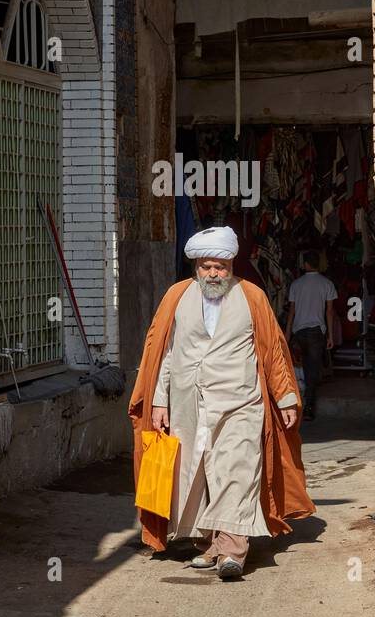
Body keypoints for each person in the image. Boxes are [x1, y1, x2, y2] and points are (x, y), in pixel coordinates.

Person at [128, 226, 315, 580]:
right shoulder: (176, 297)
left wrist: (286, 397)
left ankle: (232, 551)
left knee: (237, 470)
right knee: (197, 475)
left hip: (241, 402)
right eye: (206, 267)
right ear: (196, 267)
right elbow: (163, 353)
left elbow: (273, 349)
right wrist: (158, 400)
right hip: (188, 403)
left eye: (221, 267)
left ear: (231, 267)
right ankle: (210, 542)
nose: (213, 274)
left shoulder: (253, 297)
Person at [286, 250, 337, 421]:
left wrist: (286, 334)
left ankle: (303, 403)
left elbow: (291, 312)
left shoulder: (296, 284)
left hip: (299, 331)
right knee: (312, 369)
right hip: (317, 332)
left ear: (305, 264)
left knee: (304, 368)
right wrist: (330, 335)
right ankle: (309, 407)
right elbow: (329, 311)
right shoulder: (327, 284)